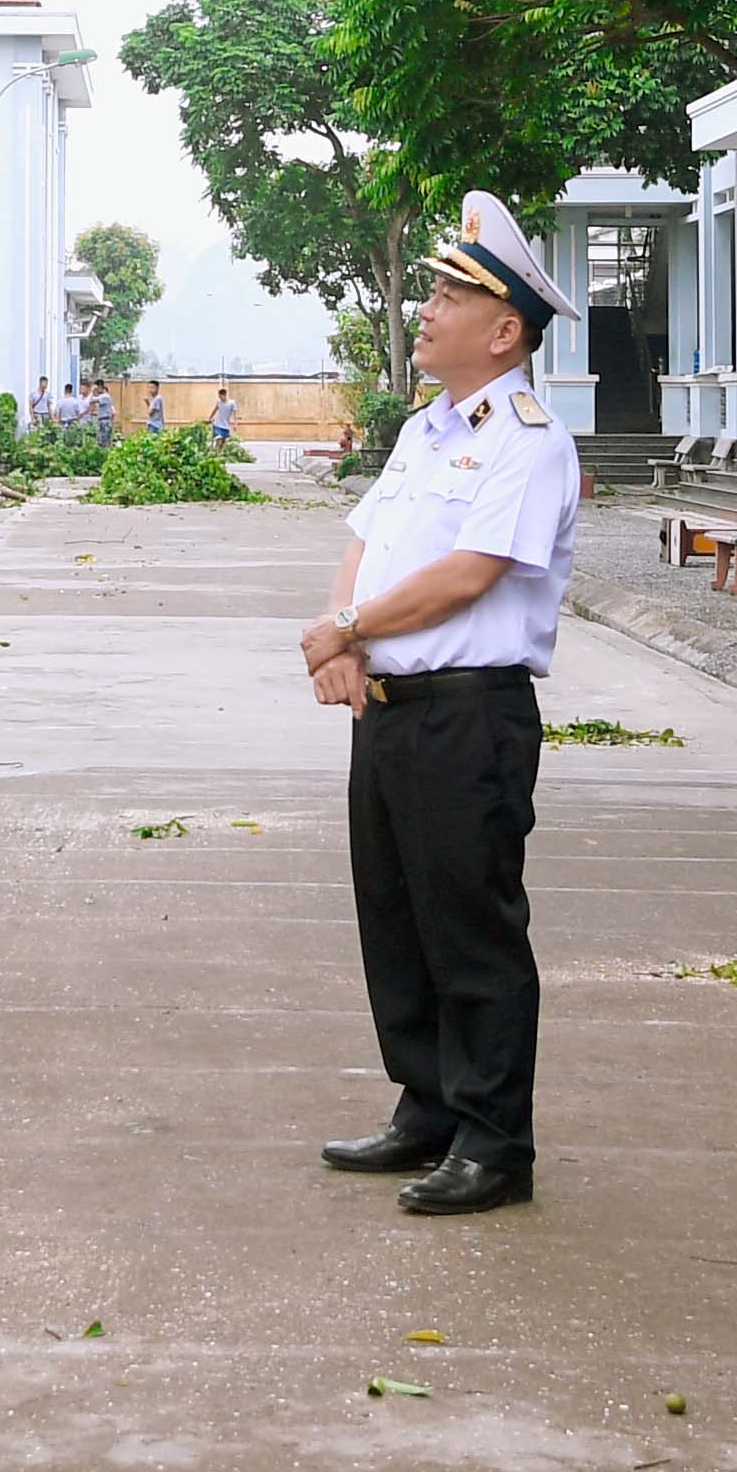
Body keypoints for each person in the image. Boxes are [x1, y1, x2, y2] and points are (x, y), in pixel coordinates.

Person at [300, 190, 583, 1217]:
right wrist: (344, 634)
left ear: (505, 329)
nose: (426, 307)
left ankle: (497, 1139)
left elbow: (470, 572)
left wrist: (348, 625)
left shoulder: (528, 439)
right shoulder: (427, 428)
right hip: (394, 704)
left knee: (472, 925)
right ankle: (427, 1102)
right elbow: (367, 541)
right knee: (398, 916)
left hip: (472, 714)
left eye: (450, 292)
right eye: (432, 288)